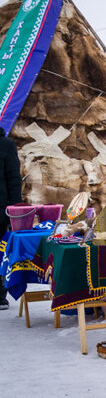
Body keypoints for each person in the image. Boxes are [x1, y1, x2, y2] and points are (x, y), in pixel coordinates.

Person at [0, 127, 21, 309]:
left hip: (0, 209)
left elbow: (14, 178)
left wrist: (15, 211)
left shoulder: (6, 145)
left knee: (0, 252)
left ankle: (0, 296)